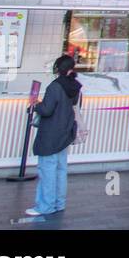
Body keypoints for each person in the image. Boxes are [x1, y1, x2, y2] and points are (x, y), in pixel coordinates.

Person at [25, 55, 82, 217]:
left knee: (47, 170)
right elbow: (72, 107)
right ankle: (59, 203)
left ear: (57, 68)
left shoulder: (55, 87)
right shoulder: (75, 86)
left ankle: (45, 206)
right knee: (60, 169)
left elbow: (47, 110)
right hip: (65, 134)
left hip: (51, 134)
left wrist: (37, 104)